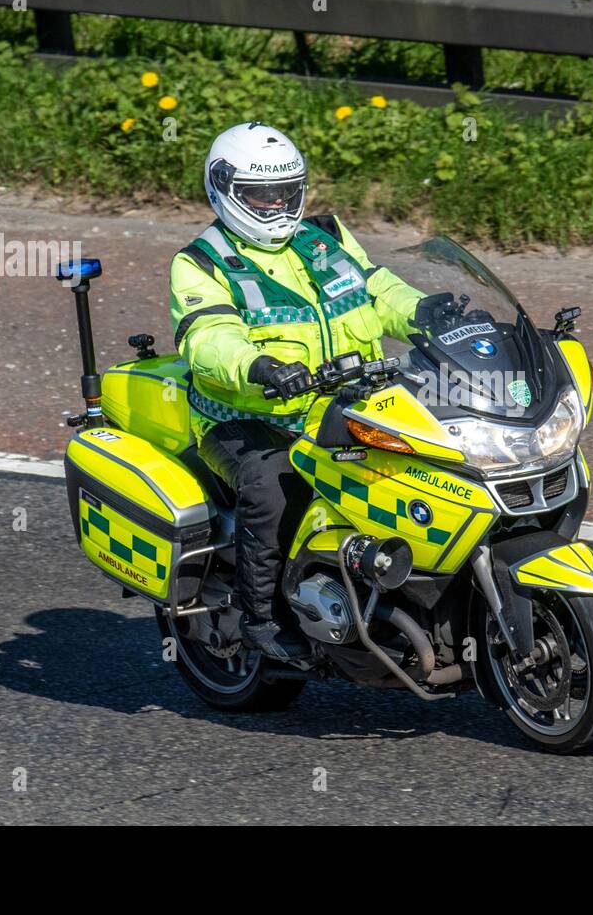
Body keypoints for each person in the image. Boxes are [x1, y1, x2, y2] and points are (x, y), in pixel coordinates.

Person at [170, 121, 436, 661]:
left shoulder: (326, 236)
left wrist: (426, 312)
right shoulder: (200, 263)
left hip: (343, 401)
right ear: (224, 191)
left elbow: (378, 290)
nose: (274, 207)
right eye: (259, 196)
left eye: (285, 193)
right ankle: (259, 618)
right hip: (247, 420)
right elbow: (208, 339)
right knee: (271, 485)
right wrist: (259, 365)